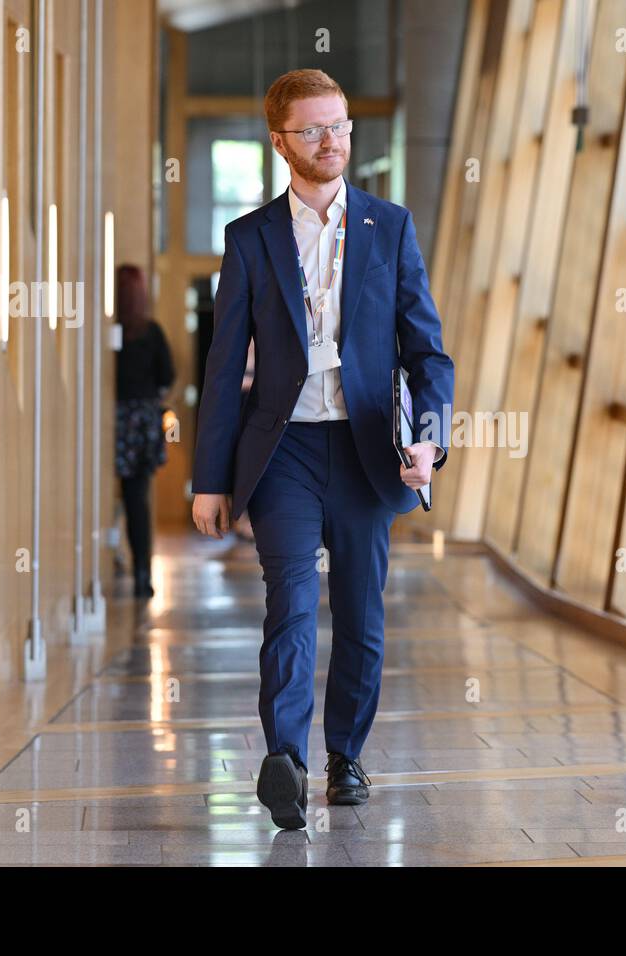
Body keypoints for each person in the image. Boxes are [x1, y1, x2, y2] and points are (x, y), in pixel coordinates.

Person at [190, 68, 454, 830]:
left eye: (339, 125)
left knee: (363, 618)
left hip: (370, 452)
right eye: (312, 130)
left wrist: (429, 440)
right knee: (292, 608)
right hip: (285, 457)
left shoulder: (391, 226)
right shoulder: (248, 241)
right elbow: (220, 370)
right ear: (280, 142)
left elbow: (428, 355)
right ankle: (286, 760)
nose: (332, 140)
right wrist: (211, 479)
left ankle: (345, 755)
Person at [114, 263, 176, 599]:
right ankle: (142, 570)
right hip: (142, 423)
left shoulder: (108, 331)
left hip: (111, 419)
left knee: (115, 494)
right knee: (137, 498)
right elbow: (168, 375)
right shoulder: (151, 332)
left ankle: (116, 553)